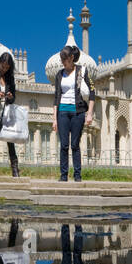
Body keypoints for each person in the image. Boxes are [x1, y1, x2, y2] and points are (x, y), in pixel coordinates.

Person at [52, 45, 96, 182]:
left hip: (78, 112)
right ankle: (63, 176)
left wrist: (89, 113)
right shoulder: (59, 74)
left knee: (75, 145)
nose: (63, 62)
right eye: (61, 60)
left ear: (72, 58)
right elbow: (56, 97)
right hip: (62, 112)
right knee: (64, 145)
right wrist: (54, 119)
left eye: (65, 60)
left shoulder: (82, 71)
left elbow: (93, 92)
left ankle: (77, 176)